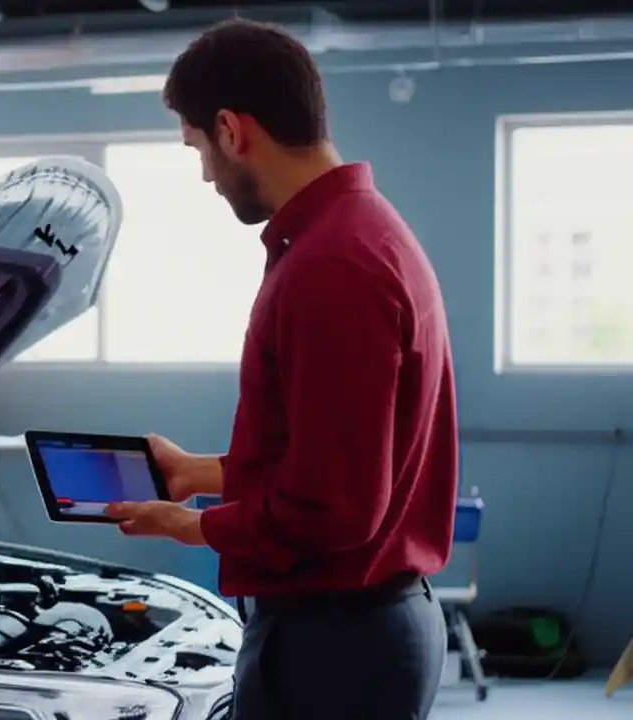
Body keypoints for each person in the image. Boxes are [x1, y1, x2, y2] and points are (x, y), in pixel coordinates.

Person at [103, 18, 459, 720]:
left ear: (233, 131)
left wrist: (191, 527)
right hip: (361, 630)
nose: (205, 173)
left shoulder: (333, 266)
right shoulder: (362, 231)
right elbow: (331, 460)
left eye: (198, 147)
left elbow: (334, 509)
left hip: (336, 643)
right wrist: (201, 473)